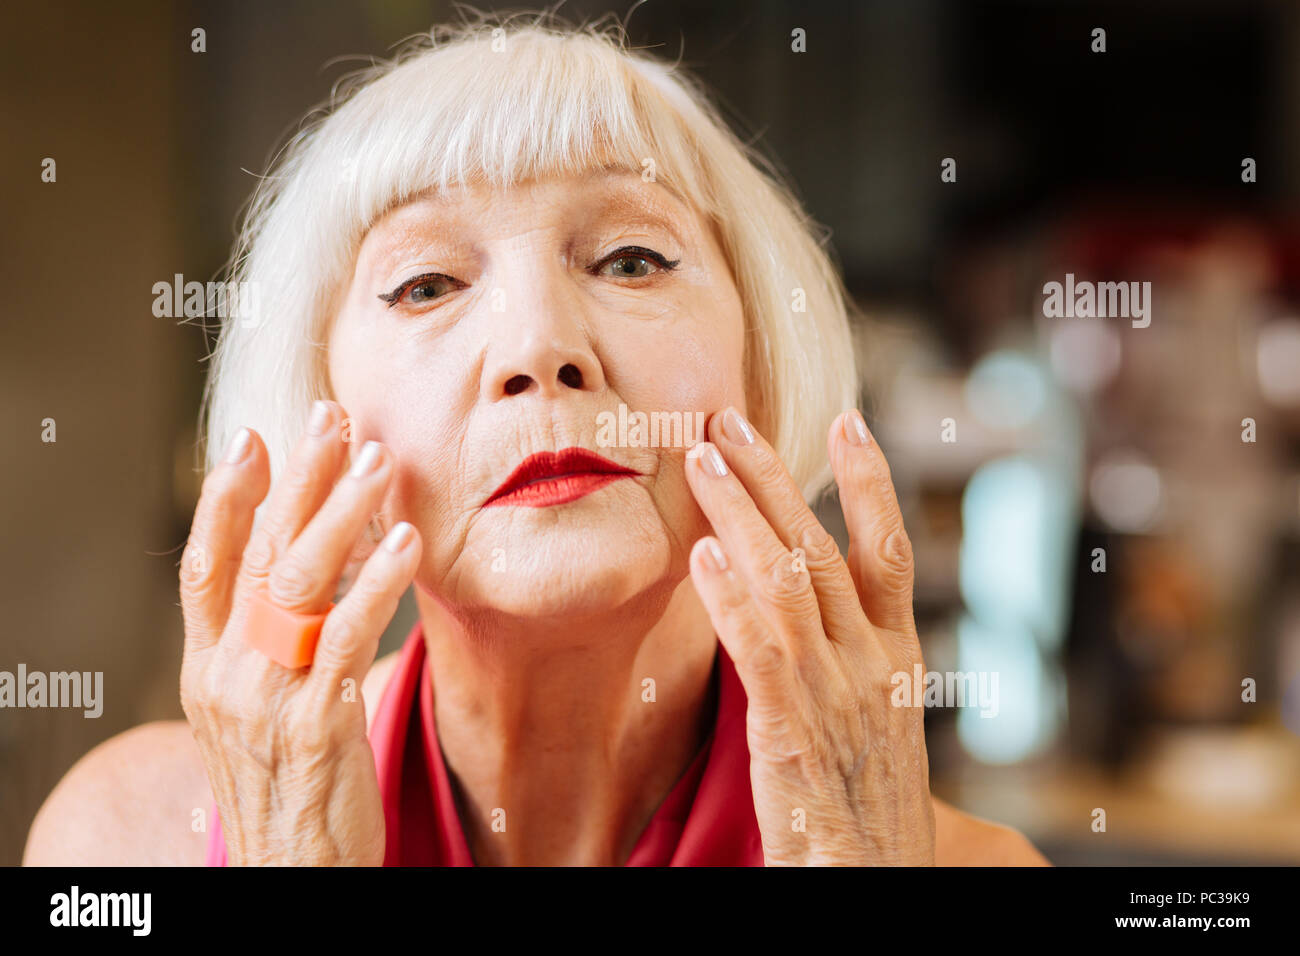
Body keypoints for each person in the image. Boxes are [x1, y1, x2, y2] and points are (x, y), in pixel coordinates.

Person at [25, 15, 1047, 866]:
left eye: (632, 259)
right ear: (316, 408)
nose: (540, 347)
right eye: (427, 284)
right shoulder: (128, 838)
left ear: (763, 361)